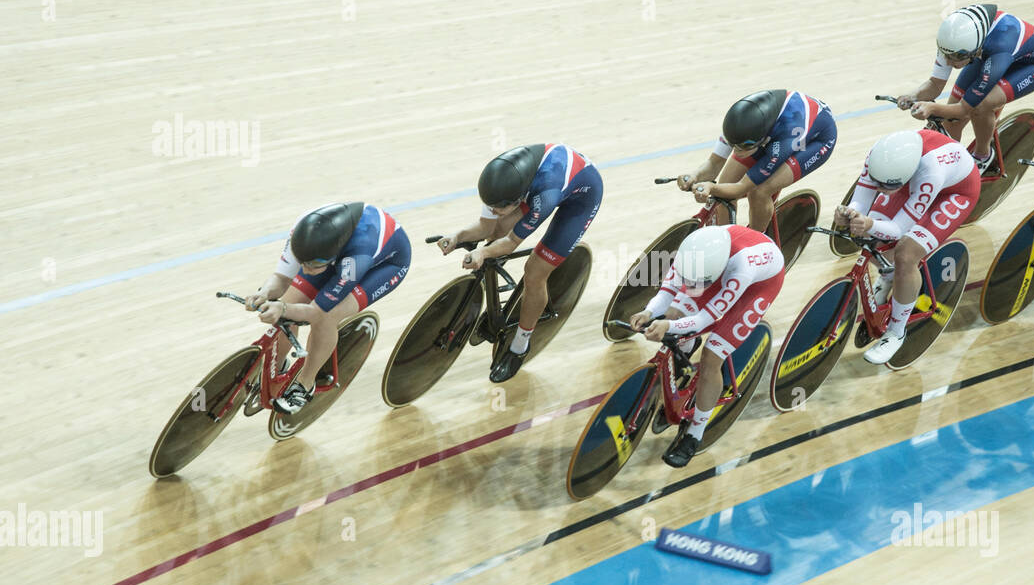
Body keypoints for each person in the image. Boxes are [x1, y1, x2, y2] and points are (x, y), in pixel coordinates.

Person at [440, 143, 602, 382]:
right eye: (490, 206)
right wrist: (458, 236)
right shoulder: (499, 182)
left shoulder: (545, 196)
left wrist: (484, 253)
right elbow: (487, 226)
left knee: (535, 272)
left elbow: (512, 241)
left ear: (517, 201)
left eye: (498, 208)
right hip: (541, 181)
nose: (492, 210)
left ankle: (520, 346)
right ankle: (496, 305)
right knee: (498, 227)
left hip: (580, 198)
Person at [629, 224, 784, 468]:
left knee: (713, 354)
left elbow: (706, 318)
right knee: (673, 313)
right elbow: (668, 291)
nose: (692, 283)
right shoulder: (691, 251)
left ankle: (695, 434)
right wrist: (648, 311)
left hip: (760, 284)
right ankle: (686, 354)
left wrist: (668, 328)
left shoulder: (742, 268)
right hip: (717, 269)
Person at [834, 129, 981, 364]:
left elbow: (899, 229)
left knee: (905, 255)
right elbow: (861, 199)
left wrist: (870, 222)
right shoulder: (879, 156)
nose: (879, 189)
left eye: (885, 186)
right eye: (877, 182)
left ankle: (895, 333)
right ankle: (889, 275)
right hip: (909, 182)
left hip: (955, 192)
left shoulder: (930, 172)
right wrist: (850, 212)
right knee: (867, 236)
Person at [248, 202, 411, 413]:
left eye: (311, 265)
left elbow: (315, 313)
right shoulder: (304, 229)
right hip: (337, 252)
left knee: (327, 316)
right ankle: (275, 368)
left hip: (386, 264)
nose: (305, 270)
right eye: (302, 262)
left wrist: (283, 309)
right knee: (290, 299)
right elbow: (281, 278)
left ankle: (305, 384)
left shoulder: (355, 260)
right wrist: (264, 293)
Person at [896, 4, 1034, 170]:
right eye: (945, 56)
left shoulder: (998, 48)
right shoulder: (953, 41)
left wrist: (932, 108)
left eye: (954, 58)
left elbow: (964, 109)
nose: (948, 61)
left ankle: (983, 156)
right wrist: (912, 96)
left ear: (971, 51)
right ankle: (947, 165)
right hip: (989, 53)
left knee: (981, 105)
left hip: (1031, 64)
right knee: (950, 124)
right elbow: (935, 84)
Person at [678, 90, 837, 234]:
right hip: (776, 126)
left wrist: (711, 187)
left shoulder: (780, 144)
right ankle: (723, 241)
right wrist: (695, 176)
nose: (735, 151)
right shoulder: (737, 124)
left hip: (815, 138)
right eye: (733, 146)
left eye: (740, 148)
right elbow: (713, 165)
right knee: (724, 186)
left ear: (761, 141)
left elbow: (741, 188)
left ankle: (754, 243)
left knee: (759, 192)